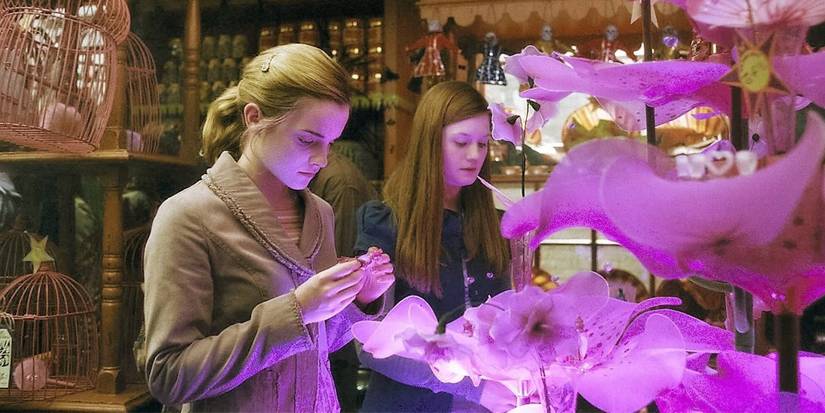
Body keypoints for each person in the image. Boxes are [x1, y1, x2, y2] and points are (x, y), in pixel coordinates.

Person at [142, 43, 395, 412]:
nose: (323, 159)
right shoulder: (187, 216)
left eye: (330, 143)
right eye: (307, 140)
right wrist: (298, 309)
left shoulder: (320, 213)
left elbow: (316, 345)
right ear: (253, 116)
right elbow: (169, 375)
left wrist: (360, 298)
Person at [355, 81, 512, 412]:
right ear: (431, 142)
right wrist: (472, 389)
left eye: (483, 144)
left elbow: (504, 323)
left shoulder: (494, 226)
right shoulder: (385, 223)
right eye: (461, 142)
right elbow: (369, 345)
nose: (475, 155)